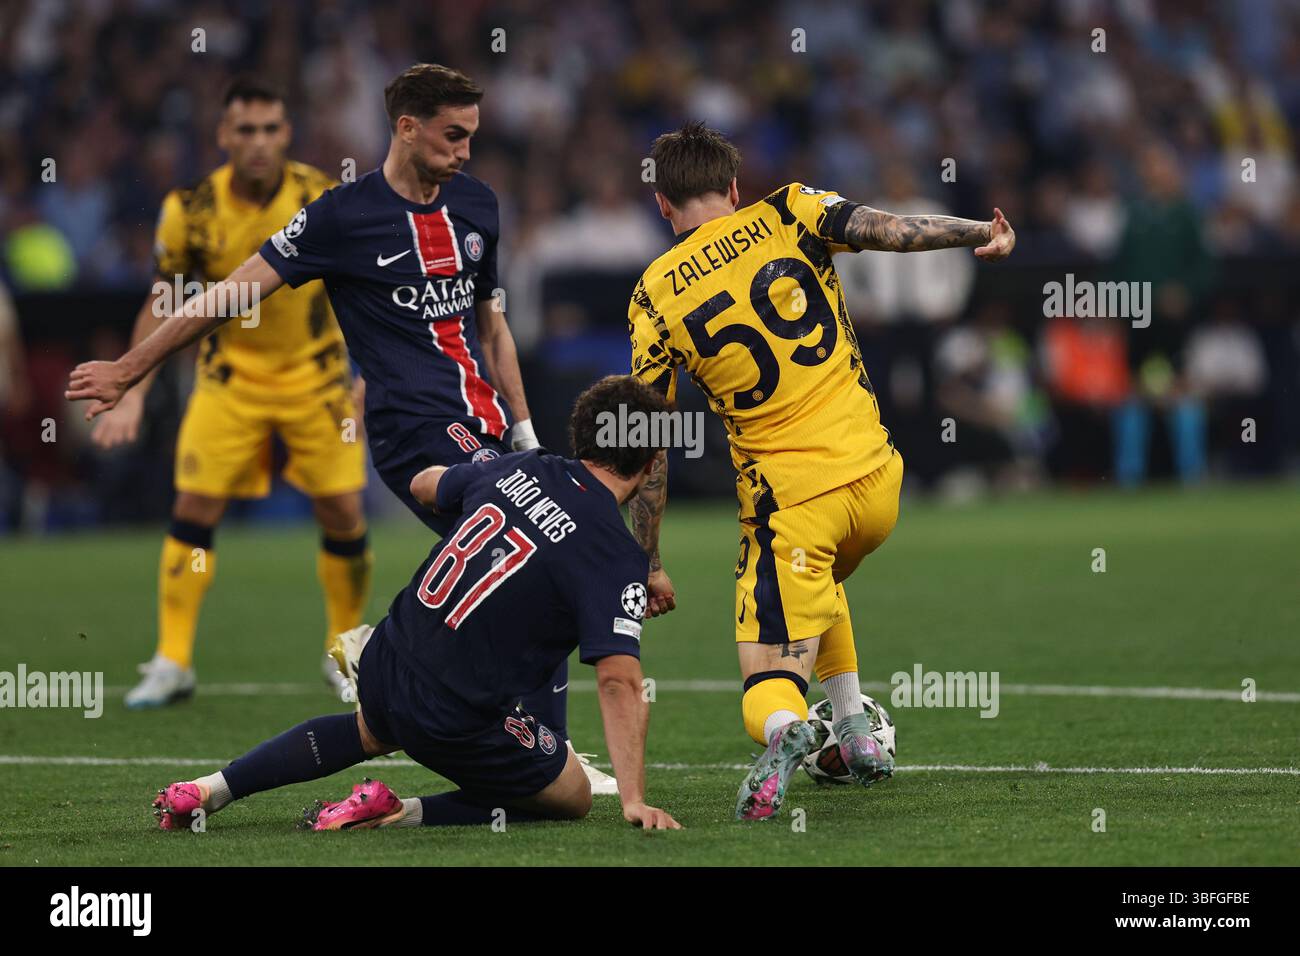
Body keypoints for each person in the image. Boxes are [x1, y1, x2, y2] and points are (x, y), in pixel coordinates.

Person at [66, 63, 617, 793]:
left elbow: (493, 327)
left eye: (473, 136)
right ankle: (383, 657)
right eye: (453, 136)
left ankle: (523, 735)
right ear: (406, 127)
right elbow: (229, 294)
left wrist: (523, 433)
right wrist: (131, 369)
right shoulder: (340, 217)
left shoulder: (479, 206)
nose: (466, 152)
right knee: (546, 548)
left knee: (534, 567)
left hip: (483, 424)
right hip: (411, 430)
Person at [625, 123, 1015, 820]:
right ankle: (854, 729)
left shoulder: (654, 295)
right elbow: (891, 230)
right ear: (735, 188)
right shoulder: (789, 209)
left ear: (662, 204)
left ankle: (790, 730)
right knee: (822, 581)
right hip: (877, 479)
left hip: (793, 504)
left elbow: (651, 445)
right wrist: (977, 230)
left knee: (765, 676)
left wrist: (648, 556)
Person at [150, 376, 680, 832]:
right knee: (572, 795)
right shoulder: (612, 552)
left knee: (368, 731)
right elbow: (617, 680)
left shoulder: (523, 466)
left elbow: (426, 485)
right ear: (653, 458)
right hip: (454, 713)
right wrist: (633, 799)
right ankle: (397, 811)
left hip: (385, 656)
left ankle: (210, 788)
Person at [88, 77, 370, 707]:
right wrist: (133, 387)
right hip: (228, 380)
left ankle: (344, 648)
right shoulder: (188, 209)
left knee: (344, 512)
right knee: (194, 508)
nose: (259, 142)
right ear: (223, 135)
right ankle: (173, 660)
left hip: (316, 377)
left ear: (287, 133)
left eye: (271, 129)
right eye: (245, 130)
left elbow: (366, 295)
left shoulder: (322, 197)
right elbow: (164, 301)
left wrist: (363, 378)